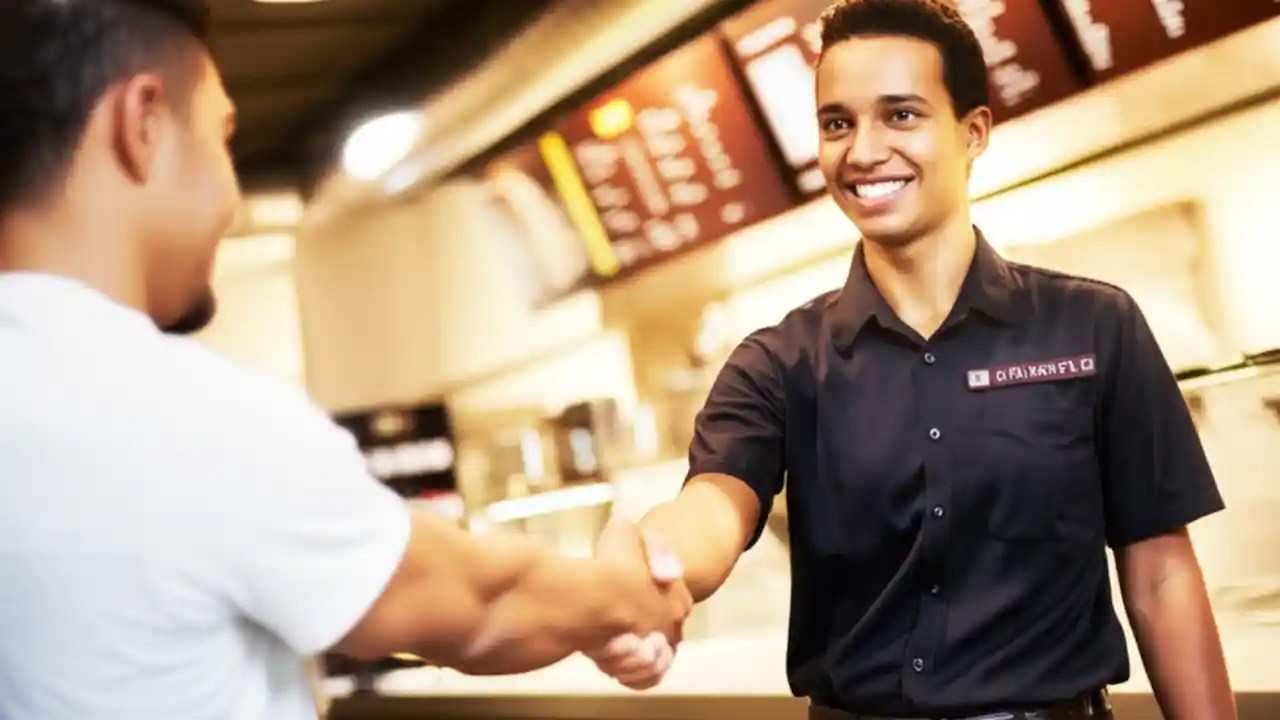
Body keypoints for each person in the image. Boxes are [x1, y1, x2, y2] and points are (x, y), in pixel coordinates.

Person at [0, 1, 690, 718]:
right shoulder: (187, 419)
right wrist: (622, 592)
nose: (231, 198)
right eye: (220, 140)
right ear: (141, 124)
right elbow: (483, 603)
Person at [589, 0, 1238, 718]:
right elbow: (712, 507)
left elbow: (1160, 577)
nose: (862, 150)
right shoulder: (777, 363)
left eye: (900, 115)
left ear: (974, 131)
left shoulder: (1093, 327)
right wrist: (649, 566)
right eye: (838, 122)